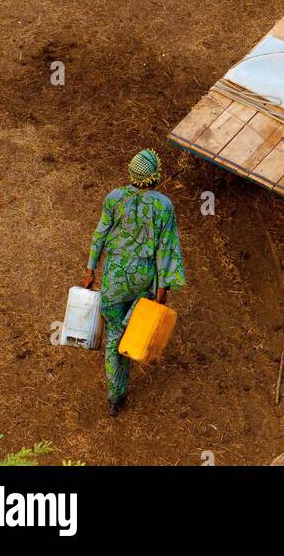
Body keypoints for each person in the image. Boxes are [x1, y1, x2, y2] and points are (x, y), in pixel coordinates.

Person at [83, 148, 185, 416]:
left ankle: (115, 396)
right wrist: (162, 288)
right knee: (135, 324)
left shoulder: (114, 198)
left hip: (115, 278)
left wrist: (90, 269)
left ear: (131, 174)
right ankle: (130, 340)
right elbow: (166, 248)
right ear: (155, 176)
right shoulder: (163, 205)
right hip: (144, 279)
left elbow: (99, 235)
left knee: (113, 335)